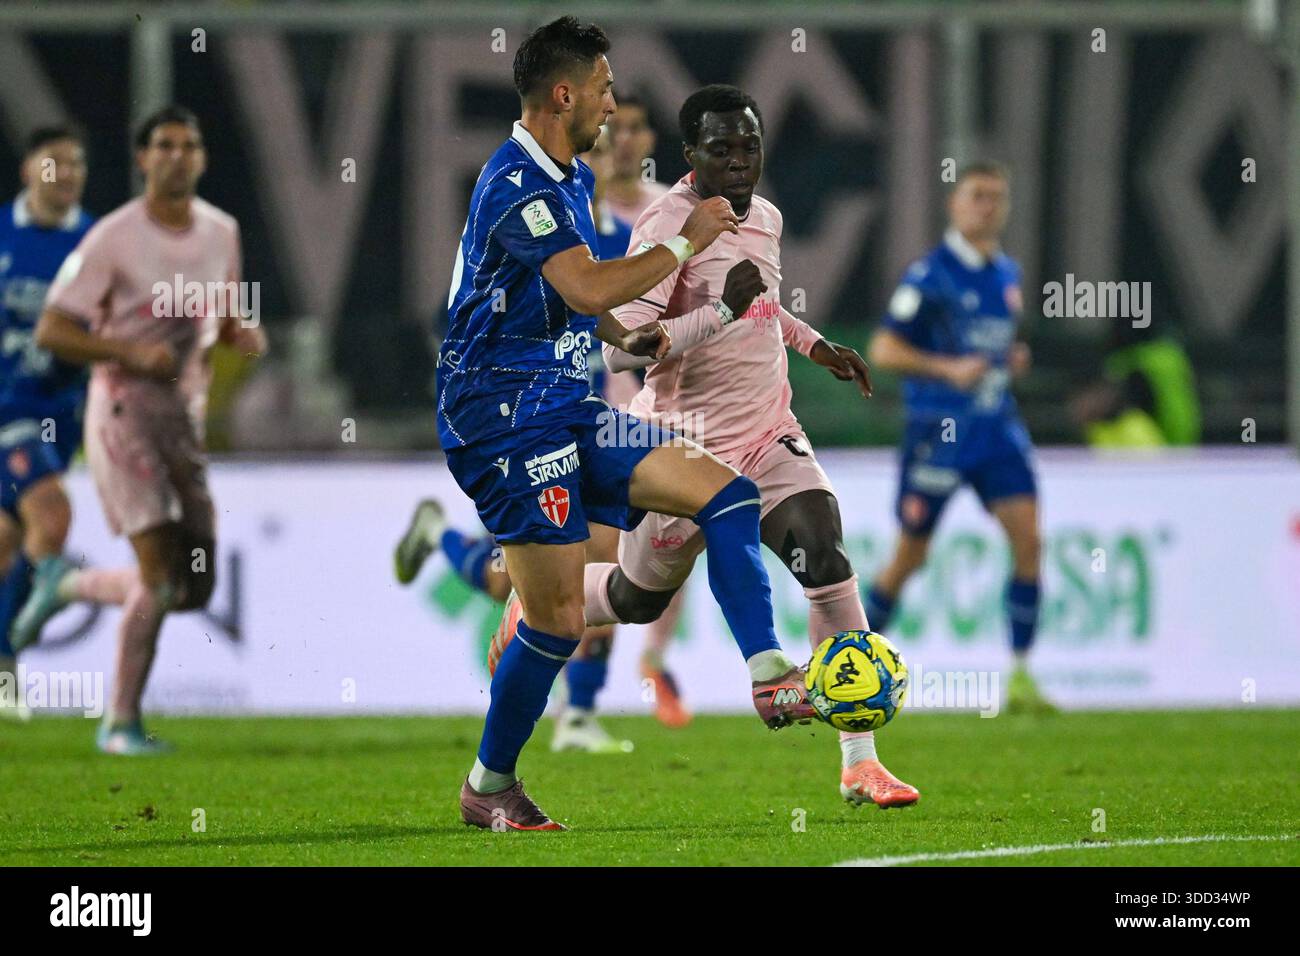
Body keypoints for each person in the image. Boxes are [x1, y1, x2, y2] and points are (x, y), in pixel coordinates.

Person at [494, 84, 920, 807]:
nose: (738, 161)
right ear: (690, 155)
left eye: (748, 146)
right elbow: (635, 348)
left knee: (824, 553)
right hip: (684, 448)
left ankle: (860, 761)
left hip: (768, 432)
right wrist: (719, 309)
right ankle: (533, 608)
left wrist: (816, 347)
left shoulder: (769, 218)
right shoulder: (668, 222)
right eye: (720, 148)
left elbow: (761, 304)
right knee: (632, 599)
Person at [439, 17, 815, 831]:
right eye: (605, 88)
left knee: (728, 494)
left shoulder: (566, 173)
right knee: (560, 621)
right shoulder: (517, 182)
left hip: (568, 408)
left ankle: (768, 669)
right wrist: (686, 244)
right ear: (564, 93)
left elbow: (565, 300)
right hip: (501, 421)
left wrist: (622, 337)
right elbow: (581, 284)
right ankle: (490, 783)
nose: (613, 104)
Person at [25, 106, 266, 752]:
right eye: (164, 145)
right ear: (142, 159)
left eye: (190, 145)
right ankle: (119, 723)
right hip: (122, 416)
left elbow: (228, 313)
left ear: (203, 159)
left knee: (194, 587)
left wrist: (242, 332)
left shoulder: (221, 231)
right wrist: (128, 354)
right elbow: (53, 327)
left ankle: (68, 584)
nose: (177, 155)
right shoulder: (112, 237)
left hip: (181, 424)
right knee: (159, 576)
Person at [864, 161, 1054, 714]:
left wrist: (1005, 361)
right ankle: (846, 665)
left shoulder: (1006, 274)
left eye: (997, 197)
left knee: (1030, 541)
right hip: (937, 433)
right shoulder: (930, 275)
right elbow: (883, 350)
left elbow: (987, 348)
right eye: (977, 196)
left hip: (995, 428)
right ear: (955, 204)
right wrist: (950, 370)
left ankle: (1019, 676)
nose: (988, 206)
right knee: (909, 558)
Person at [0, 126, 94, 715]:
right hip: (7, 409)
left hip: (65, 415)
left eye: (77, 163)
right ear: (28, 171)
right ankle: (6, 659)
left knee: (9, 540)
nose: (68, 173)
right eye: (55, 162)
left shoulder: (94, 244)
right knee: (52, 515)